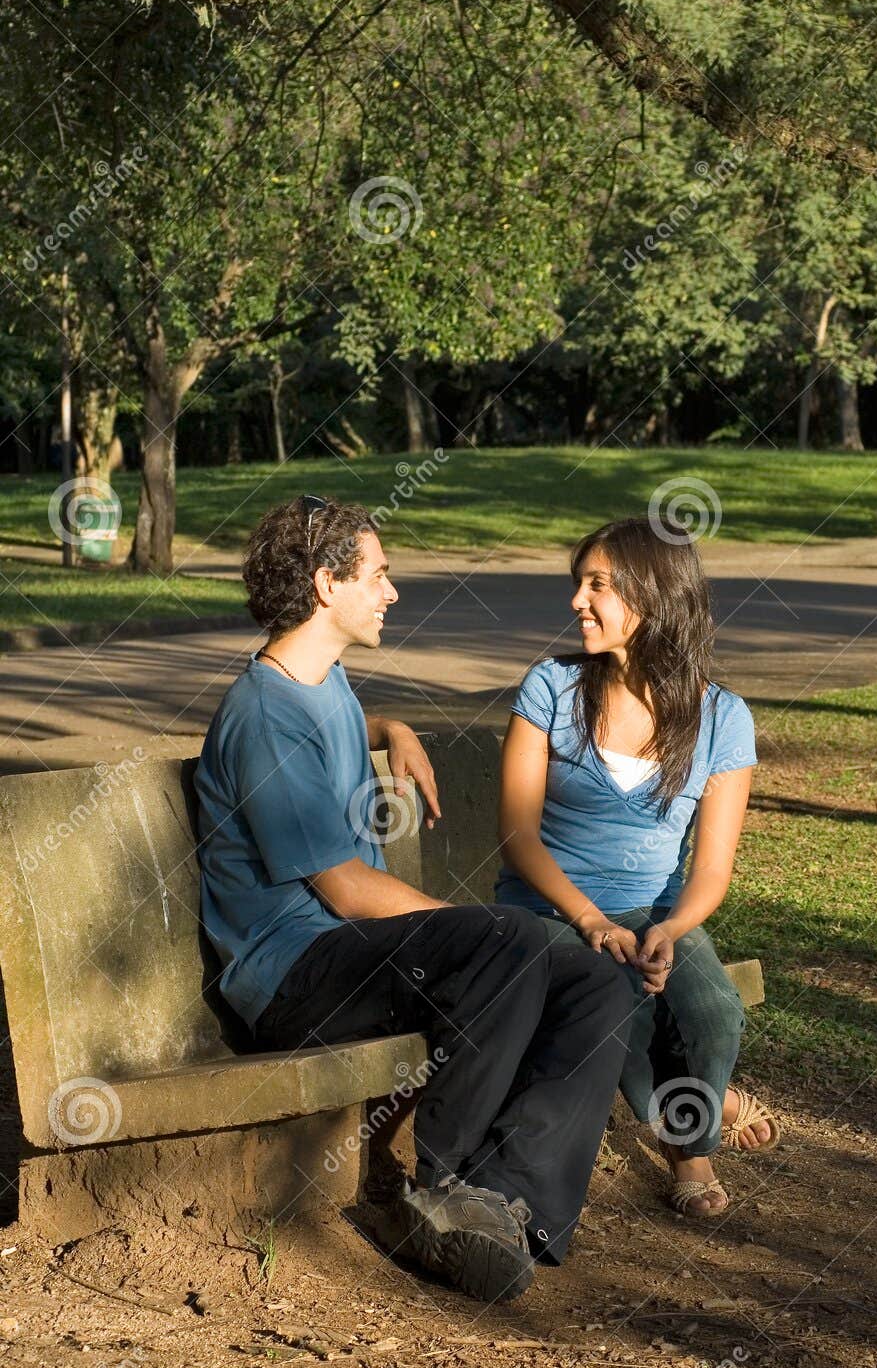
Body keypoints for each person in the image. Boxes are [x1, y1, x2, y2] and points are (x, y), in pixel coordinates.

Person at [194, 495, 633, 1301]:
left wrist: (393, 728)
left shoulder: (319, 683)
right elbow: (344, 889)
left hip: (348, 958)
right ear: (328, 585)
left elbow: (330, 722)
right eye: (379, 575)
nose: (391, 592)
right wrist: (490, 931)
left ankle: (510, 1200)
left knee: (599, 983)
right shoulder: (261, 711)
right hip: (292, 974)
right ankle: (440, 1188)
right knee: (512, 942)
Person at [496, 516, 781, 1220]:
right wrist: (589, 920)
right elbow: (516, 835)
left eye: (597, 585)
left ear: (653, 598)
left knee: (713, 1012)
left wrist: (672, 929)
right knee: (613, 999)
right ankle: (693, 1149)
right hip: (548, 911)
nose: (576, 602)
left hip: (650, 911)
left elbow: (712, 865)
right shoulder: (551, 689)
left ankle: (701, 1106)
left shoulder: (722, 719)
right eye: (578, 584)